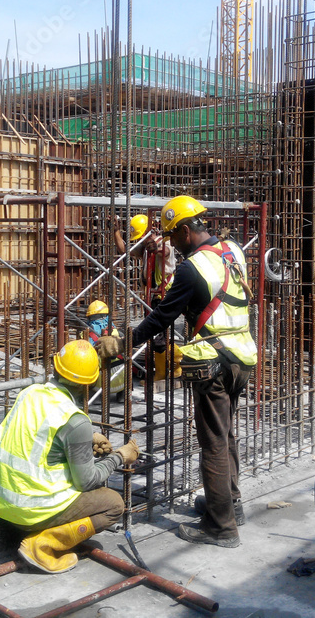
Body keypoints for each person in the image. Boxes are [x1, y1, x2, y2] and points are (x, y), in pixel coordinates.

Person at [99, 195, 256, 548]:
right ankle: (231, 503)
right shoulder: (233, 251)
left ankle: (221, 526)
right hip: (242, 357)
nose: (170, 242)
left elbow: (161, 317)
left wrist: (124, 342)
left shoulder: (191, 268)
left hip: (213, 363)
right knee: (227, 434)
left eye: (173, 236)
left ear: (186, 231)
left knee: (213, 443)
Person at [0, 339, 139, 573]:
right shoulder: (75, 420)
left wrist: (85, 439)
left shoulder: (29, 394)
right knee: (113, 504)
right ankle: (42, 545)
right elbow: (87, 480)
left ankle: (41, 533)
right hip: (26, 510)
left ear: (56, 367)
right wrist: (120, 456)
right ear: (88, 383)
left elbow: (36, 436)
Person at [114, 213, 181, 381]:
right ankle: (173, 365)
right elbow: (124, 251)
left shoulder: (163, 243)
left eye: (141, 237)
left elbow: (164, 252)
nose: (140, 240)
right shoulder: (144, 246)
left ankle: (170, 367)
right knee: (158, 335)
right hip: (152, 293)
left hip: (163, 292)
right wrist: (115, 232)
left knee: (158, 335)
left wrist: (155, 248)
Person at [83, 300, 125, 396]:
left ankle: (93, 395)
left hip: (99, 386)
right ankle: (123, 395)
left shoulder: (86, 336)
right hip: (121, 383)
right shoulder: (119, 333)